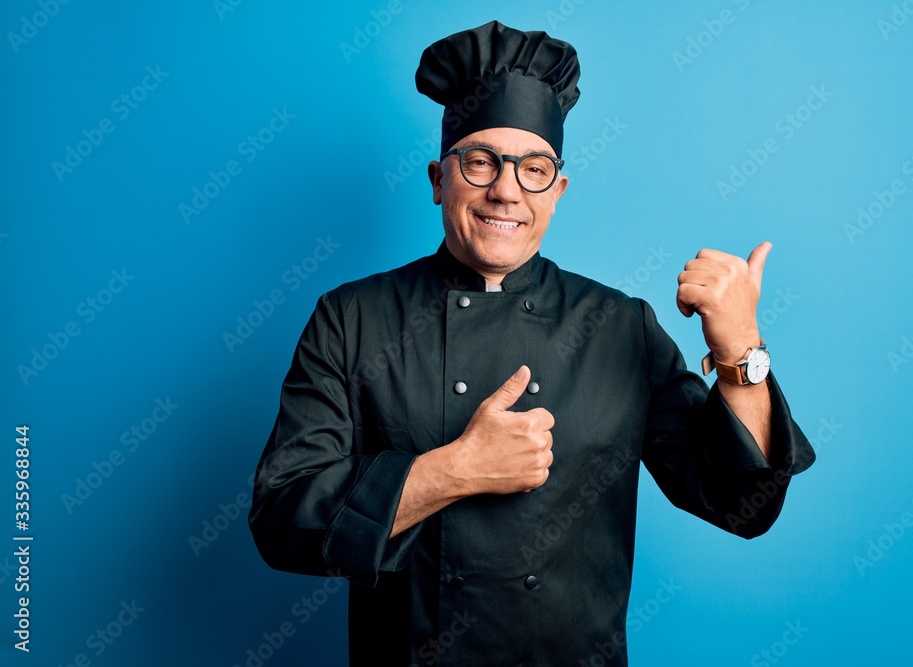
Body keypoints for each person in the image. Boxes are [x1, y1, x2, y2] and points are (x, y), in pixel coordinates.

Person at [249, 20, 815, 667]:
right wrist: (453, 471)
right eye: (481, 160)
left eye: (534, 168)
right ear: (439, 177)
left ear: (559, 190)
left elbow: (741, 502)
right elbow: (282, 517)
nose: (507, 189)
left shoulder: (619, 326)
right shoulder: (351, 318)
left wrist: (741, 349)